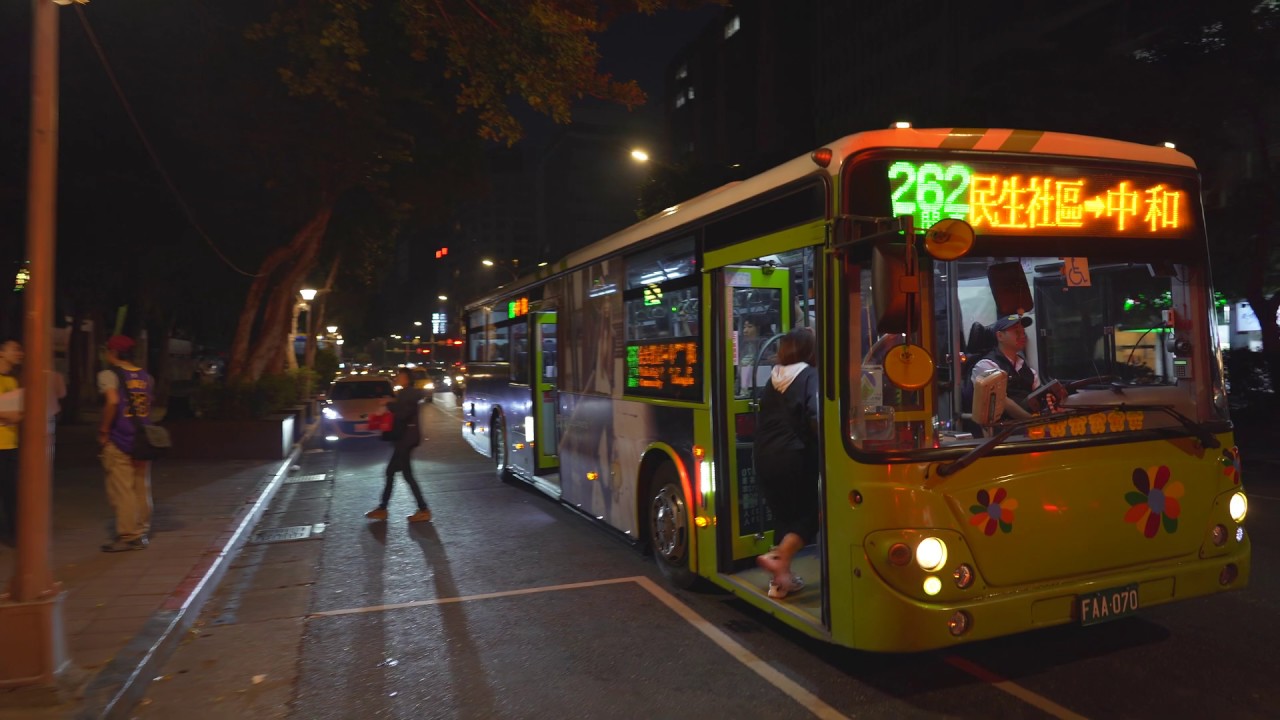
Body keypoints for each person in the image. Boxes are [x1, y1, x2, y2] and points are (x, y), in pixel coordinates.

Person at [753, 327, 820, 599]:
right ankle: (779, 558)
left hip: (764, 455)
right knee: (810, 515)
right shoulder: (809, 375)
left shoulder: (774, 377)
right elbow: (816, 415)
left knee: (783, 517)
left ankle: (780, 583)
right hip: (794, 456)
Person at [97, 334, 155, 552]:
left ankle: (129, 535)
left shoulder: (109, 375)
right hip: (142, 439)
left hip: (119, 438)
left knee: (122, 489)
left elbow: (112, 400)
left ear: (113, 353)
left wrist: (104, 430)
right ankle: (142, 530)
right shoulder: (146, 377)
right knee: (141, 487)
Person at [366, 368, 432, 523]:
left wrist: (389, 404)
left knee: (405, 475)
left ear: (407, 379)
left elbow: (403, 414)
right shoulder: (406, 393)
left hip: (405, 439)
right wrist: (391, 402)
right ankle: (383, 508)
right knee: (392, 472)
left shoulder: (407, 394)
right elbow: (402, 409)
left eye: (400, 376)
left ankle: (422, 509)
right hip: (405, 439)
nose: (397, 378)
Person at [970, 314, 1040, 420]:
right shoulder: (986, 365)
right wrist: (1033, 421)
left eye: (1023, 332)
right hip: (1004, 429)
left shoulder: (1030, 371)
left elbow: (1039, 397)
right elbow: (1002, 401)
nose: (1022, 336)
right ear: (1000, 336)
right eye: (1017, 332)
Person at [0, 338, 24, 546]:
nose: (19, 353)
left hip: (10, 444)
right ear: (1, 352)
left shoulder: (13, 380)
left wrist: (8, 415)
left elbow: (16, 415)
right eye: (14, 349)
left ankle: (15, 535)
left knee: (12, 493)